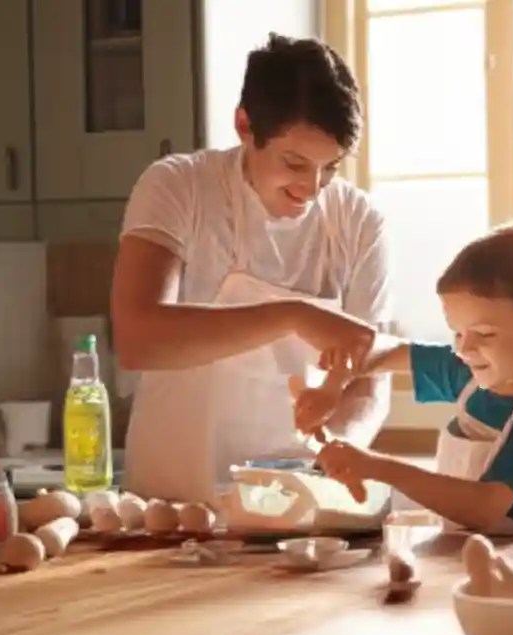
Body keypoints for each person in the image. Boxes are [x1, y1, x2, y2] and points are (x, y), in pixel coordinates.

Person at [110, 34, 383, 506]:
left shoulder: (358, 222)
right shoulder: (178, 187)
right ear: (244, 125)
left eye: (331, 168)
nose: (311, 188)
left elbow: (369, 377)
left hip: (291, 510)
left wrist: (339, 447)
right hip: (170, 512)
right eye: (294, 163)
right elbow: (138, 337)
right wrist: (291, 315)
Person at [295, 223, 513, 536]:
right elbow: (377, 353)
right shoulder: (468, 372)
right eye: (457, 332)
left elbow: (483, 508)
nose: (465, 348)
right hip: (461, 562)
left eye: (484, 333)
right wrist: (332, 385)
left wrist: (376, 466)